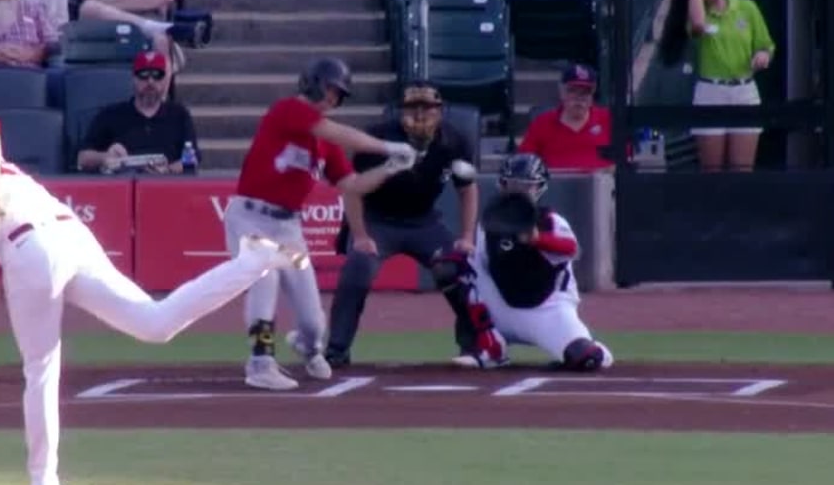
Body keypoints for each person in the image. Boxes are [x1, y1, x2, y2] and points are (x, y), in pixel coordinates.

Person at [0, 113, 309, 485]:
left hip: (34, 247)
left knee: (40, 367)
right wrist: (2, 265)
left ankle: (44, 483)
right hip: (69, 236)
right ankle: (253, 261)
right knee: (154, 323)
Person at [222, 57, 420, 391]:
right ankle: (260, 362)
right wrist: (387, 147)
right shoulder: (288, 110)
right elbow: (337, 132)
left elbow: (352, 185)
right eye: (330, 89)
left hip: (288, 229)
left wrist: (389, 168)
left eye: (338, 94)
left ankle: (308, 346)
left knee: (313, 322)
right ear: (313, 83)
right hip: (251, 218)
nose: (332, 98)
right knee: (264, 279)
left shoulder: (325, 143)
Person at [323, 81, 479, 367]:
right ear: (400, 112)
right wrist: (360, 235)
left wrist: (467, 236)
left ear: (440, 111)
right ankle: (337, 349)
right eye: (412, 109)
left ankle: (474, 345)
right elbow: (353, 189)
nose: (420, 116)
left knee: (459, 269)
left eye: (427, 109)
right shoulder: (378, 140)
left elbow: (467, 188)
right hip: (377, 219)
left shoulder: (454, 141)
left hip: (424, 221)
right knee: (358, 268)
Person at [438, 153, 613, 371]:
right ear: (503, 185)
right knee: (449, 265)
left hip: (546, 309)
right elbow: (478, 266)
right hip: (501, 305)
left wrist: (537, 239)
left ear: (539, 188)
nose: (519, 191)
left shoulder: (549, 220)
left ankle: (596, 349)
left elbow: (571, 249)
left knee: (585, 357)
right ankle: (489, 346)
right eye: (514, 185)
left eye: (526, 186)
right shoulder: (490, 221)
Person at [664, 0, 775, 172]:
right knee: (712, 171)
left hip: (744, 90)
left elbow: (765, 44)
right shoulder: (697, 16)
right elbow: (698, 25)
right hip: (711, 91)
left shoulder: (746, 7)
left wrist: (763, 55)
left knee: (742, 169)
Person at [76, 50, 197, 174]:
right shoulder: (110, 115)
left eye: (157, 75)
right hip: (123, 182)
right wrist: (105, 157)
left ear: (165, 80)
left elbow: (191, 159)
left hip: (166, 183)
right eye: (143, 75)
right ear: (133, 79)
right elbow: (82, 158)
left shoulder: (179, 115)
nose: (150, 82)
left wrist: (168, 170)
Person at [517, 62, 614, 173]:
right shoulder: (542, 123)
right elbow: (523, 164)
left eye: (585, 92)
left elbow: (626, 160)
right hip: (556, 183)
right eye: (572, 91)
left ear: (593, 94)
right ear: (561, 92)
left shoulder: (609, 120)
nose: (579, 98)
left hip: (600, 183)